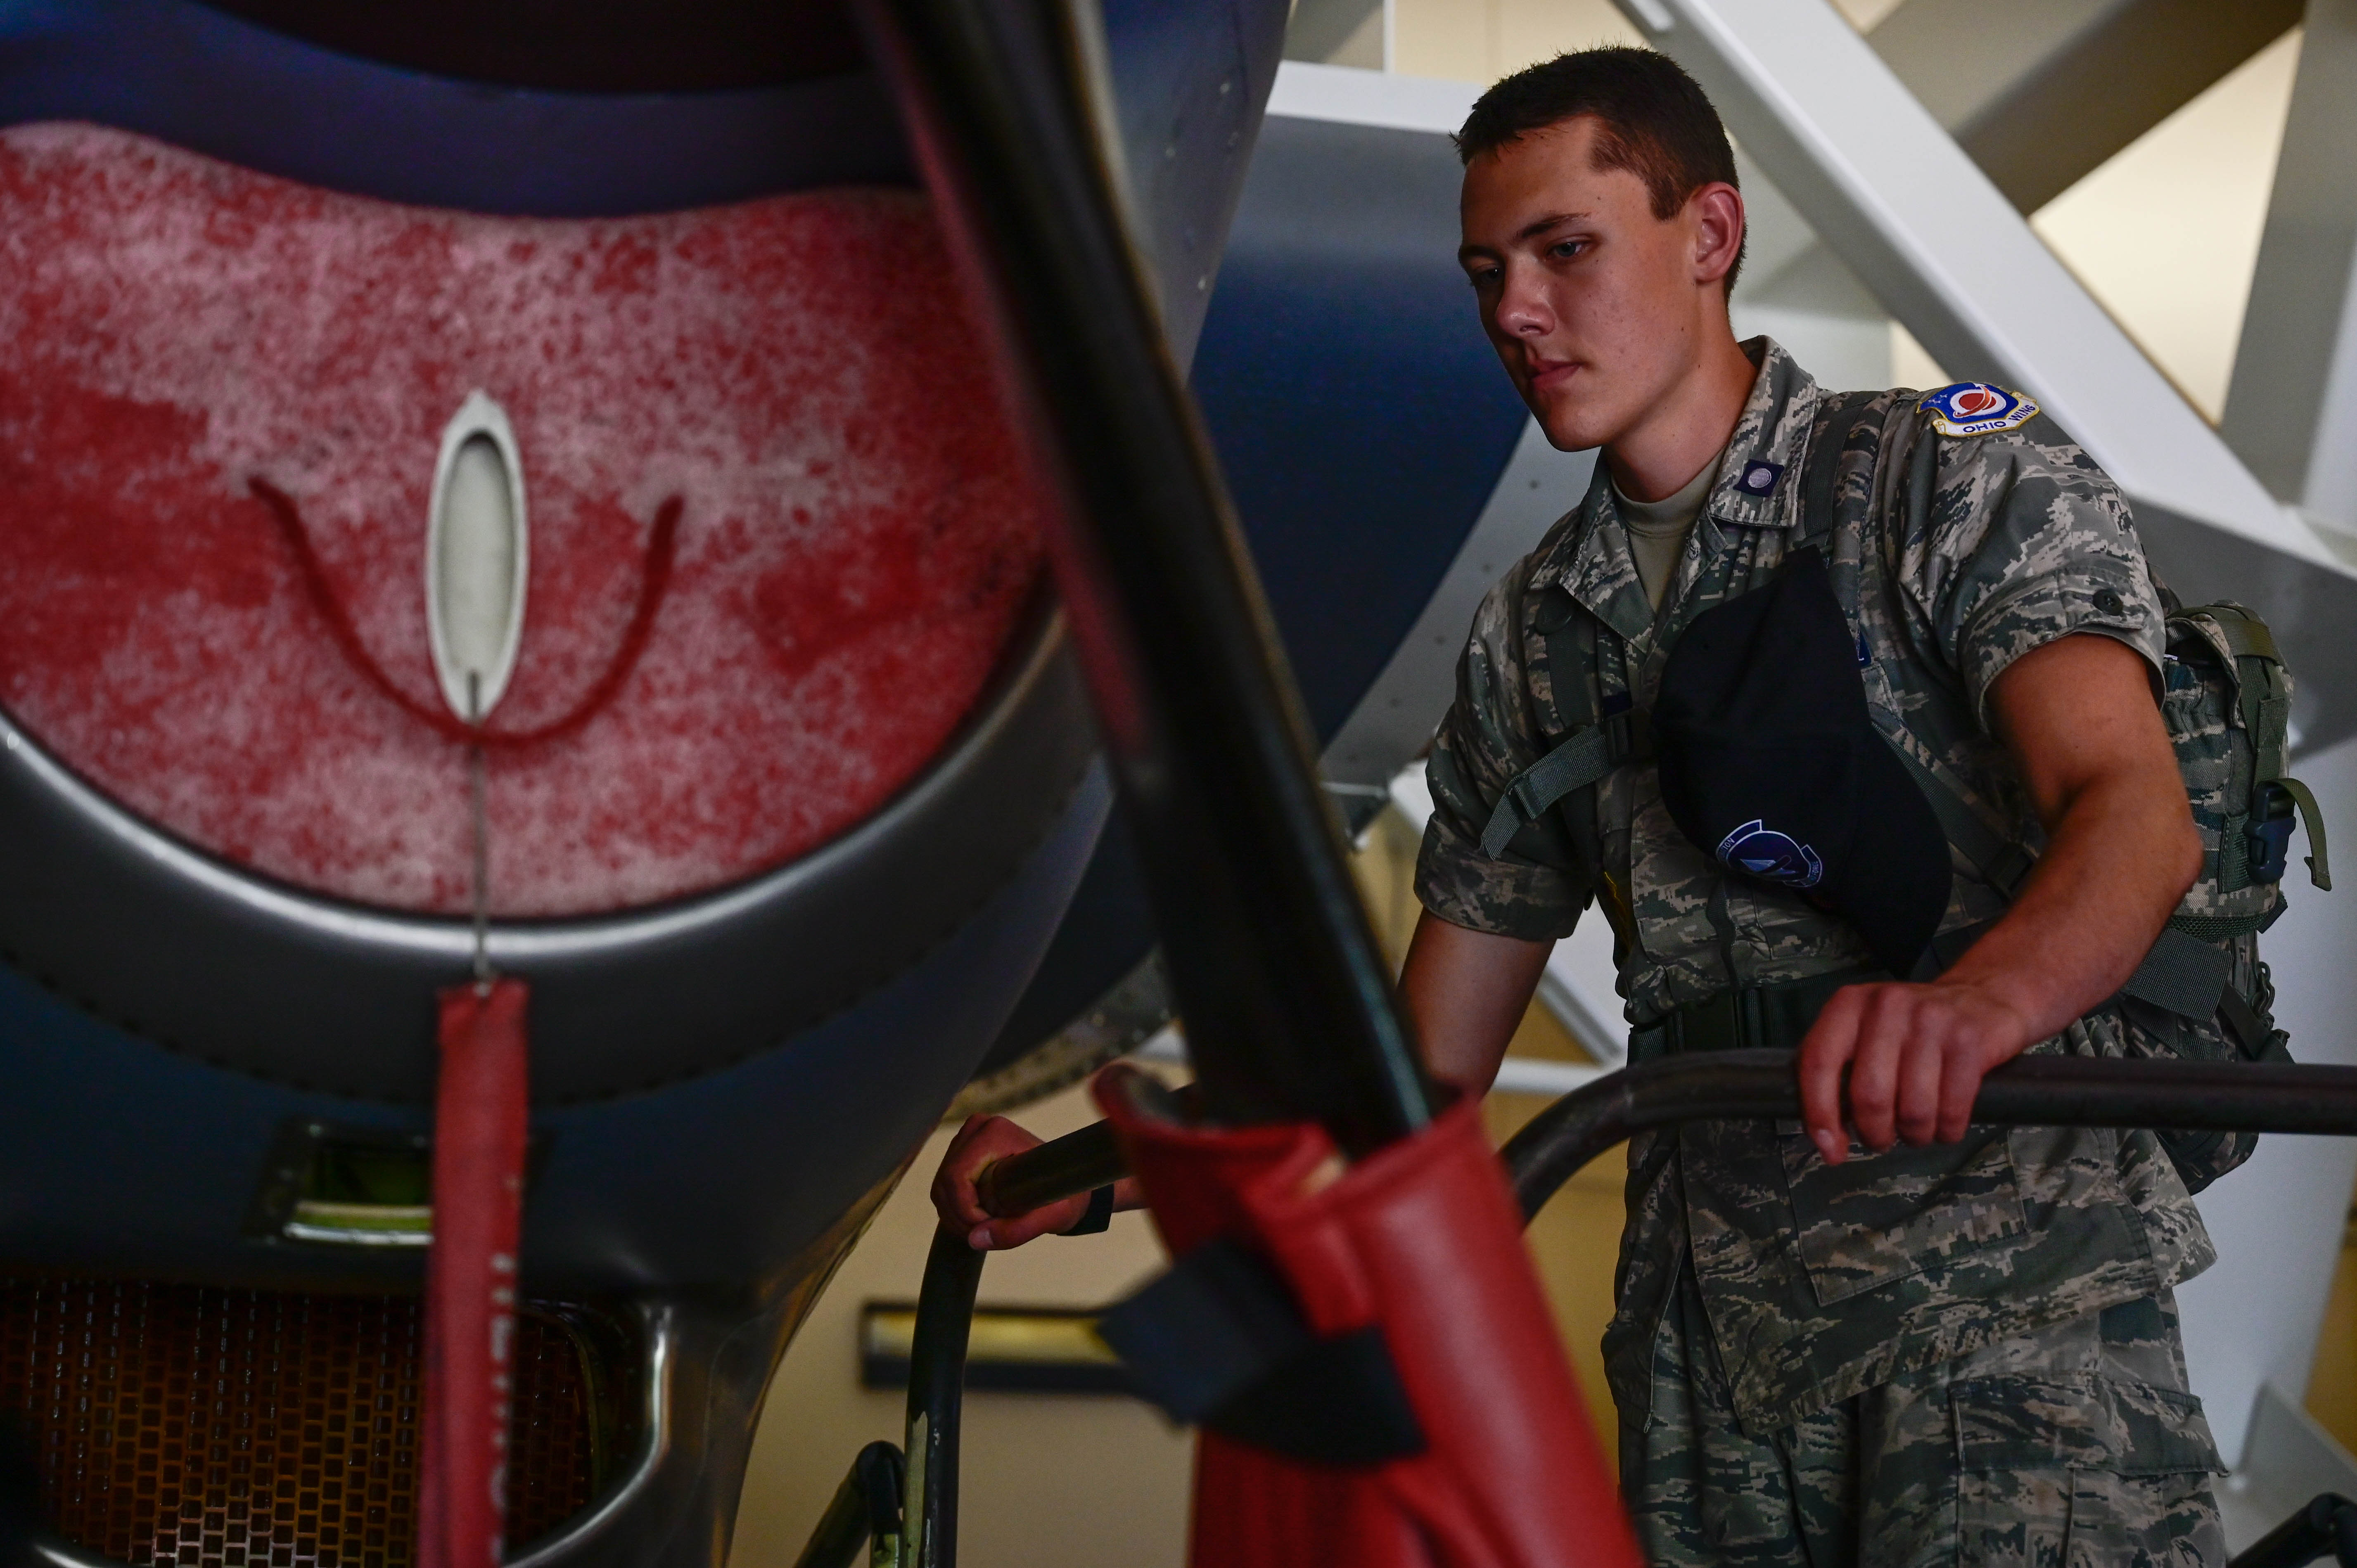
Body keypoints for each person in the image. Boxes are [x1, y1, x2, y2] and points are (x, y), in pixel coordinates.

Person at [935, 45, 2229, 1567]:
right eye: (1487, 272)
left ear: (1710, 237)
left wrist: (1975, 1005)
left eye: (1565, 251)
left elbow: (2129, 807)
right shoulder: (1532, 631)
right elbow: (1413, 1078)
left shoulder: (1936, 478)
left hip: (2005, 1311)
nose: (1514, 314)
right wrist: (1090, 1177)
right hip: (1711, 1360)